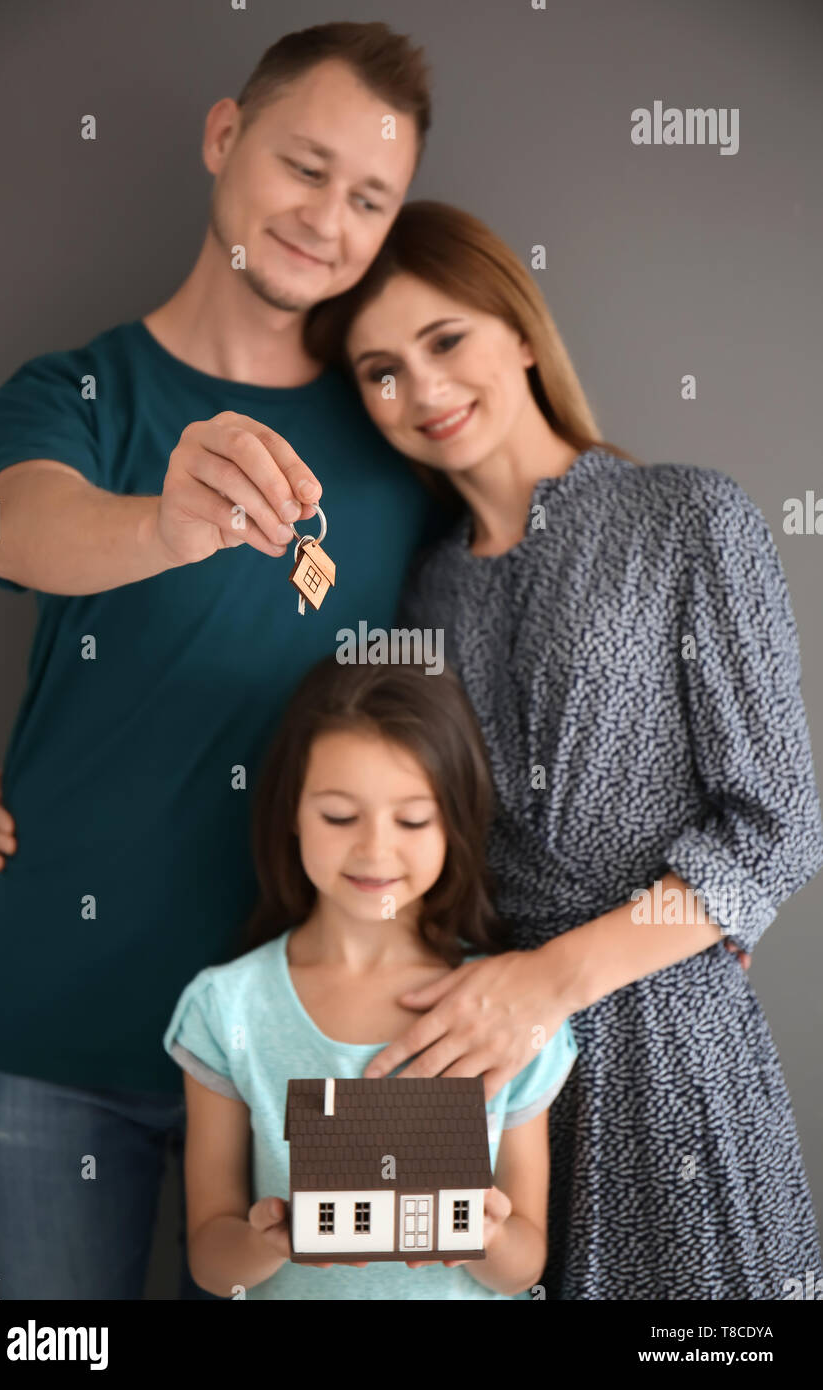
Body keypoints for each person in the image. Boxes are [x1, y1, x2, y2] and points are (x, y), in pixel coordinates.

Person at [0, 22, 446, 1300]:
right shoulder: (71, 392)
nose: (325, 219)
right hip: (56, 1030)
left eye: (368, 199)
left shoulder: (397, 432)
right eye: (304, 165)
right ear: (225, 136)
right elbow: (19, 526)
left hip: (319, 1052)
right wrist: (166, 526)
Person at [295, 199, 823, 1299]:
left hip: (666, 1053)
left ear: (520, 331)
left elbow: (776, 827)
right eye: (380, 371)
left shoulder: (689, 515)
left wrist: (548, 981)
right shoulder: (417, 589)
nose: (423, 391)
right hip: (473, 1060)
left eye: (445, 341)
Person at [164, 656, 578, 1300]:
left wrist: (490, 1234)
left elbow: (525, 1264)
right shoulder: (228, 1008)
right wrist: (264, 1241)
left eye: (412, 821)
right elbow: (211, 1259)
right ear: (293, 813)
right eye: (338, 816)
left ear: (453, 824)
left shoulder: (505, 1012)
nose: (375, 850)